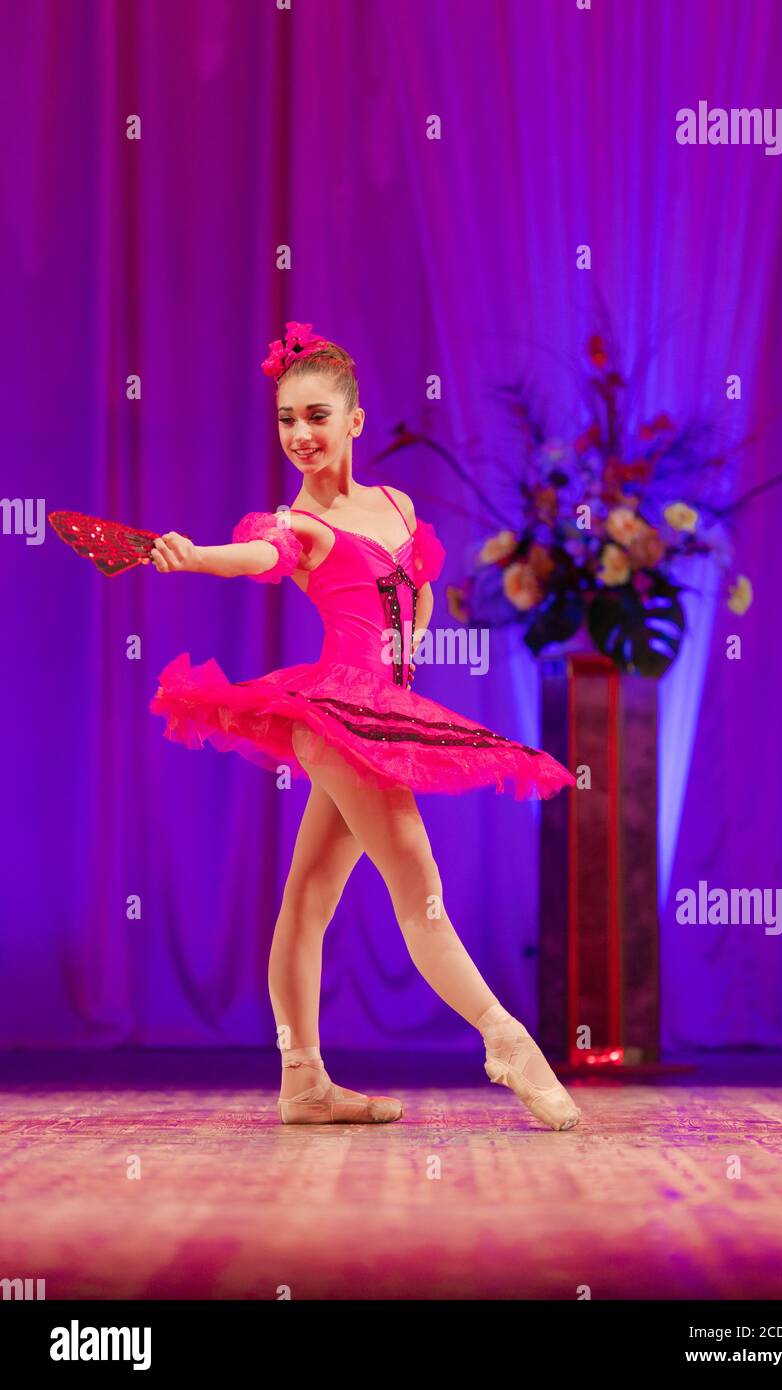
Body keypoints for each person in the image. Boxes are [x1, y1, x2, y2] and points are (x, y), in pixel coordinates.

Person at [147, 322, 580, 1131]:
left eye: (315, 416)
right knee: (421, 892)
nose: (300, 435)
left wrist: (413, 633)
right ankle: (506, 1039)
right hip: (339, 715)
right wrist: (199, 555)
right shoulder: (302, 523)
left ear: (354, 420)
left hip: (386, 713)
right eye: (285, 420)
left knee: (309, 895)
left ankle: (303, 1083)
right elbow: (263, 556)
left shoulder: (395, 506)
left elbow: (416, 582)